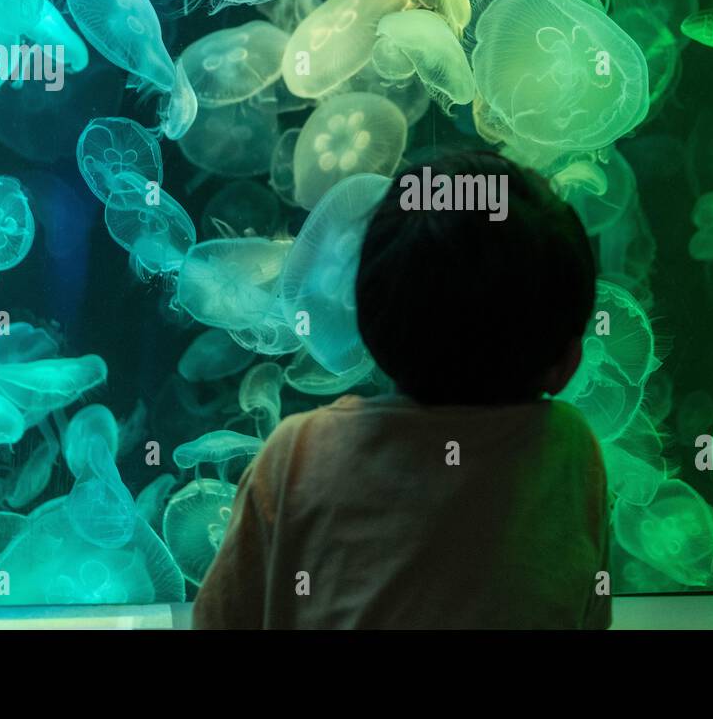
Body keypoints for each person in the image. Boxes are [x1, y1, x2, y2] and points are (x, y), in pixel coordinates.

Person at [193, 150, 609, 629]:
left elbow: (220, 623)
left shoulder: (297, 455)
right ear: (568, 364)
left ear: (365, 324)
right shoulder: (573, 454)